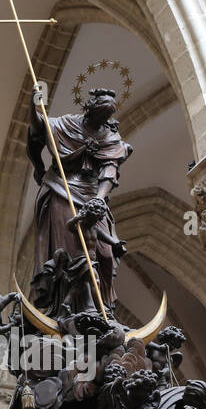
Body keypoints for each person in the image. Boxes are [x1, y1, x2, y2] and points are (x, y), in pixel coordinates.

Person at [27, 85, 132, 315]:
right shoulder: (67, 124)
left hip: (94, 194)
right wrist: (33, 104)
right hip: (62, 187)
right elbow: (38, 128)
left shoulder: (110, 137)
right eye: (101, 111)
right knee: (71, 248)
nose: (105, 118)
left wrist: (98, 200)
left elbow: (109, 172)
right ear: (89, 108)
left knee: (104, 254)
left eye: (109, 114)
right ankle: (70, 307)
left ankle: (102, 307)